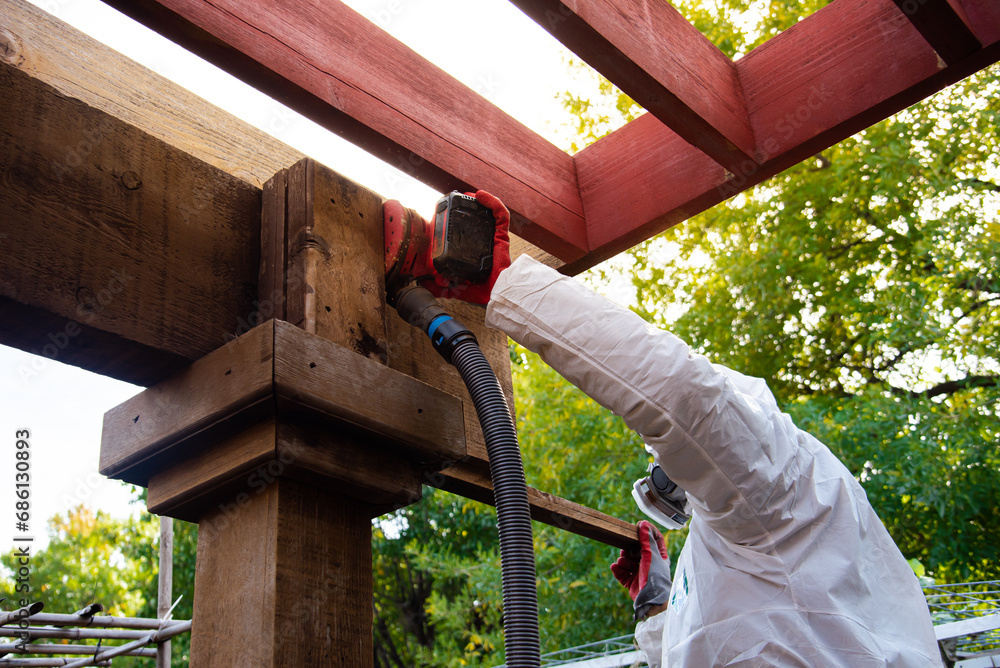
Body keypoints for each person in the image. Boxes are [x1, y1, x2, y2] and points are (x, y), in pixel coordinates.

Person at [394, 192, 944, 667]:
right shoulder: (758, 528)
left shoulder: (781, 484)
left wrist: (508, 284)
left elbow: (683, 396)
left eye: (669, 462)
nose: (667, 471)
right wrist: (658, 610)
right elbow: (739, 645)